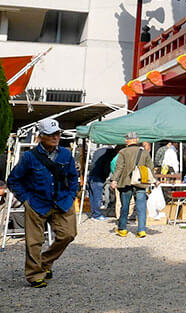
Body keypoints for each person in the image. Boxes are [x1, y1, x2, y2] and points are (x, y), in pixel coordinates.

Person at [7, 118, 80, 287]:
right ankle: (34, 275)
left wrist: (72, 195)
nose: (55, 137)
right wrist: (25, 200)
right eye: (50, 134)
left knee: (68, 234)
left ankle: (45, 262)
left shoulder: (66, 154)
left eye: (57, 134)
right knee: (34, 241)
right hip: (37, 202)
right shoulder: (29, 157)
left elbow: (73, 176)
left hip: (62, 201)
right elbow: (13, 180)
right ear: (41, 136)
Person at [110, 132, 153, 238]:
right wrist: (153, 180)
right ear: (137, 140)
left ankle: (123, 229)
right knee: (141, 206)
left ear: (127, 140)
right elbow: (150, 167)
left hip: (126, 182)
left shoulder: (123, 152)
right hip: (140, 181)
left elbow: (119, 168)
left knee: (125, 206)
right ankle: (141, 230)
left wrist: (114, 180)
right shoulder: (144, 152)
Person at [85, 144, 119, 220]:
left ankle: (94, 213)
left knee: (92, 197)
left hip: (91, 175)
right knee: (97, 197)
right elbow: (109, 165)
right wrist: (107, 176)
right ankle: (97, 215)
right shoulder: (109, 153)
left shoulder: (97, 151)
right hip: (99, 177)